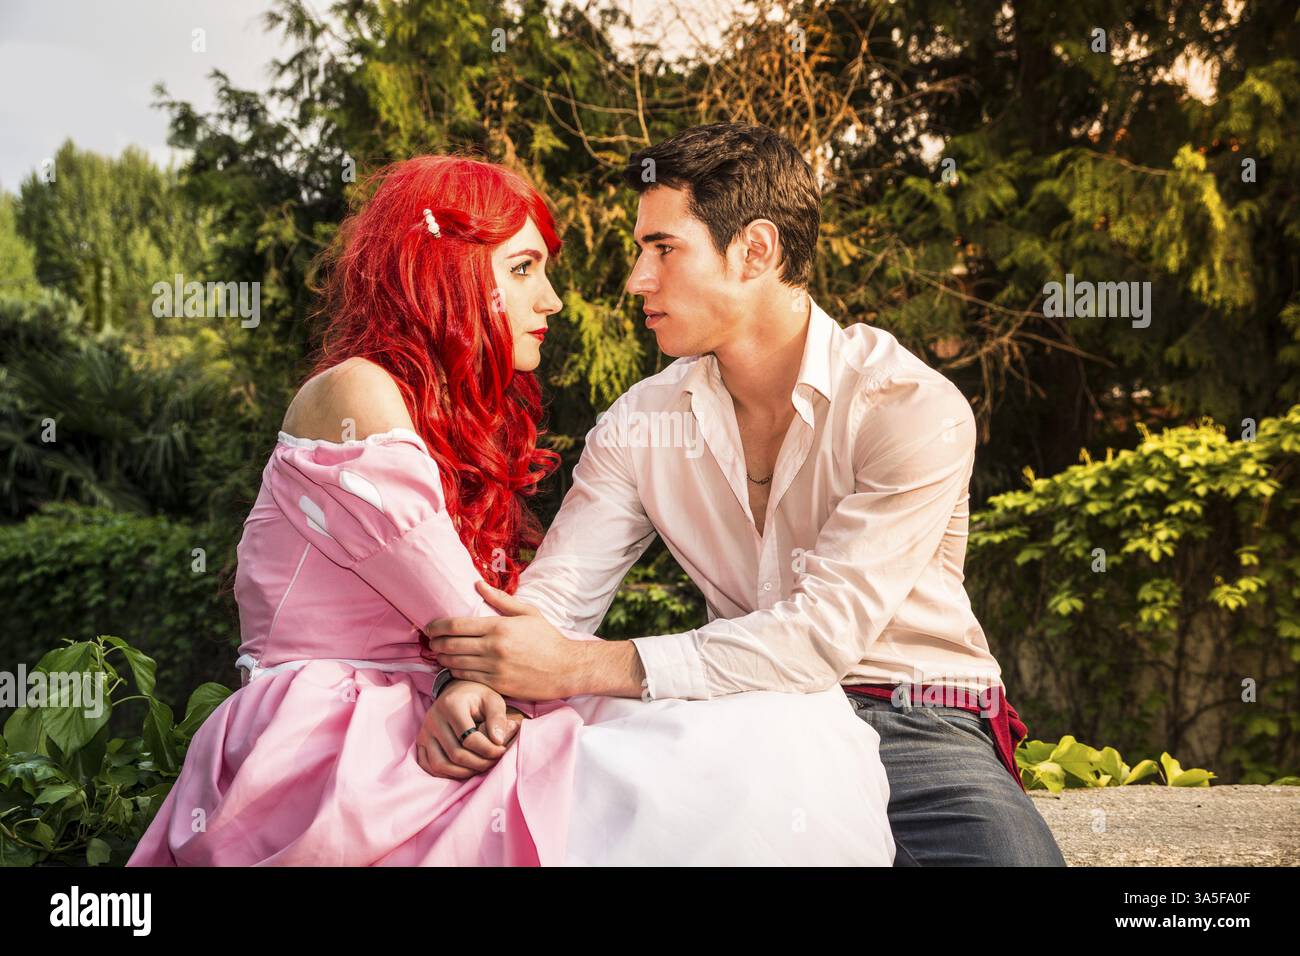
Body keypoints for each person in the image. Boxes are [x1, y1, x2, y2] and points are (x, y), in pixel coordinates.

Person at [126, 153, 894, 867]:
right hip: (334, 739)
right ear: (442, 274)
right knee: (745, 753)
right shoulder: (355, 392)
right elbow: (473, 624)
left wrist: (485, 680)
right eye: (522, 268)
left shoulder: (438, 414)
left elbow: (508, 636)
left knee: (790, 727)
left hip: (427, 711)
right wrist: (487, 678)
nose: (552, 299)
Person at [420, 125, 1068, 866]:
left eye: (663, 249)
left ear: (755, 250)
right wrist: (470, 684)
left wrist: (575, 665)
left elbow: (820, 638)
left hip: (912, 713)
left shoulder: (909, 406)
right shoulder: (640, 424)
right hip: (746, 715)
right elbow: (557, 600)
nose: (637, 279)